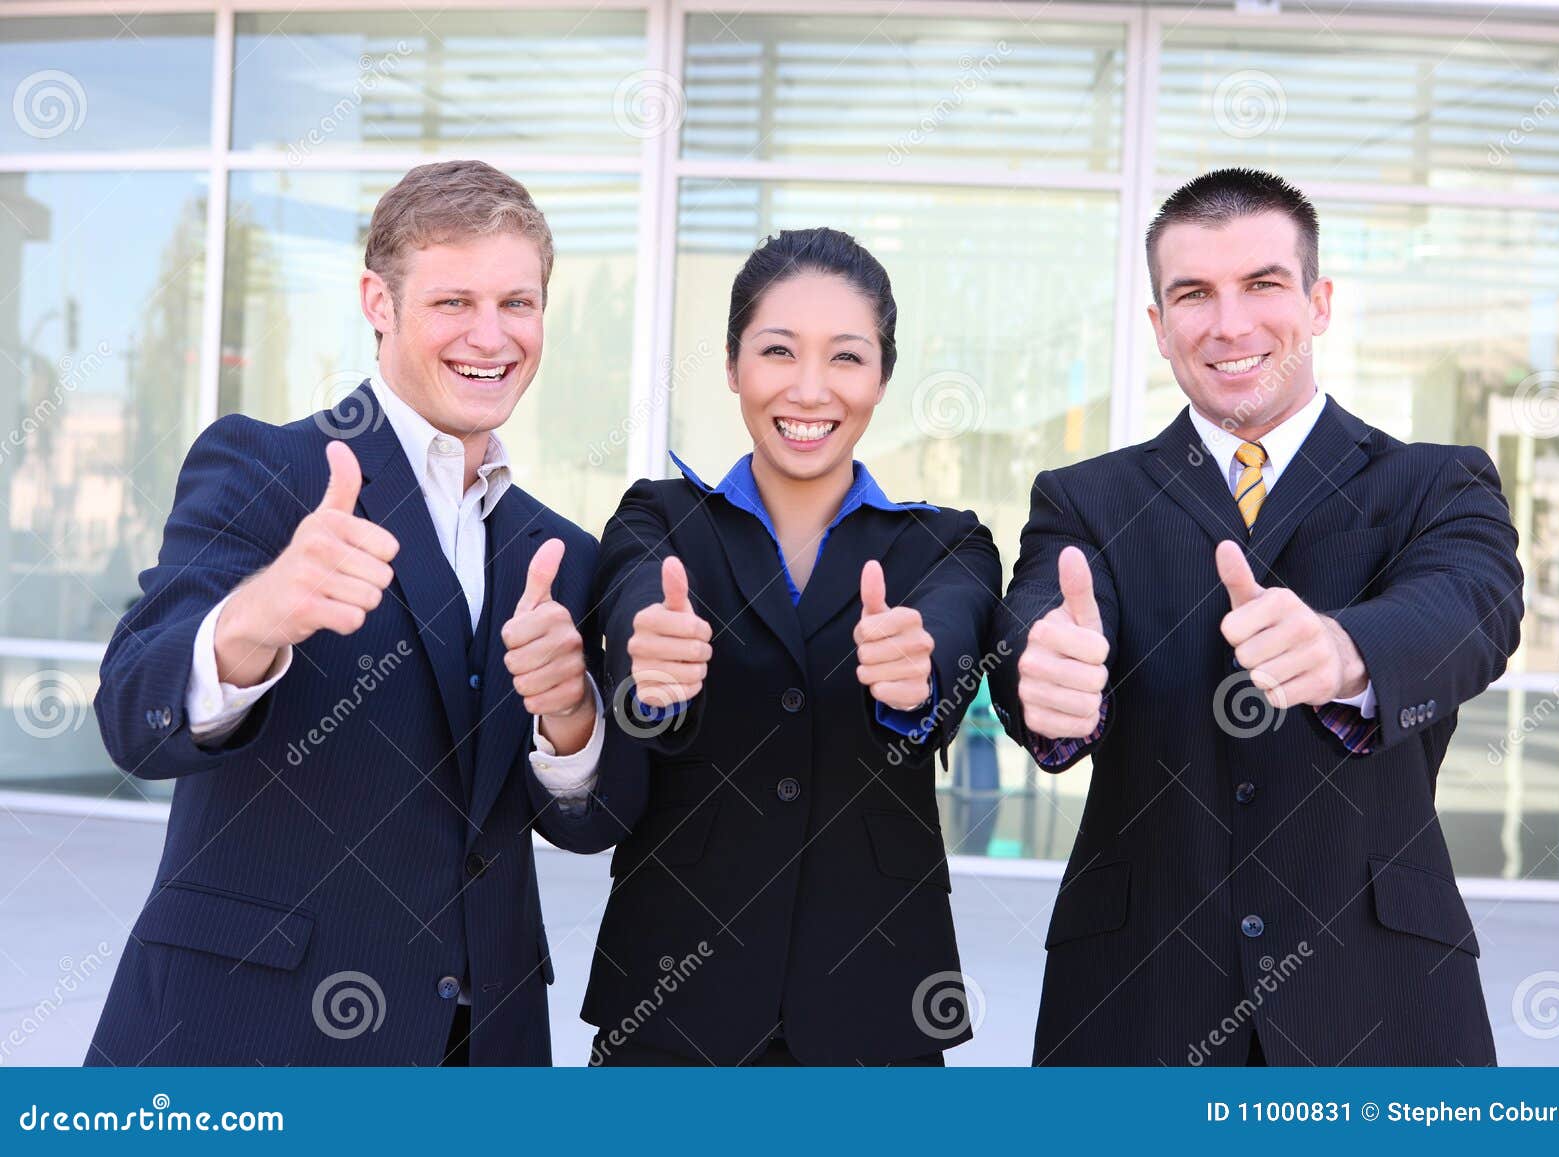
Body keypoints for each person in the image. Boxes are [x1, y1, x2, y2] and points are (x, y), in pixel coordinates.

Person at [87, 160, 646, 1066]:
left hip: (481, 1049)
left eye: (518, 303)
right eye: (452, 302)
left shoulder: (562, 551)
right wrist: (256, 617)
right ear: (377, 304)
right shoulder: (270, 470)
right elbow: (133, 718)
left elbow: (589, 823)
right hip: (253, 1038)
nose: (491, 335)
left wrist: (573, 714)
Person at [988, 168, 1522, 1066]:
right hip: (1136, 995)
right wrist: (1041, 672)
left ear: (1317, 302)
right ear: (1159, 328)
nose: (1229, 324)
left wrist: (1346, 648)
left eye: (1263, 284)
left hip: (1379, 993)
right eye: (1193, 294)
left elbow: (1471, 607)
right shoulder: (1084, 498)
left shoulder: (1438, 481)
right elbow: (1043, 614)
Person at [581, 228, 1001, 1066]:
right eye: (778, 350)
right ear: (734, 366)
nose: (811, 389)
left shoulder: (946, 545)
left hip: (877, 1008)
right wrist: (648, 664)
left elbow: (951, 635)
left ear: (882, 376)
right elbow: (635, 607)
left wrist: (916, 679)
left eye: (846, 357)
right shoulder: (659, 518)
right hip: (673, 1011)